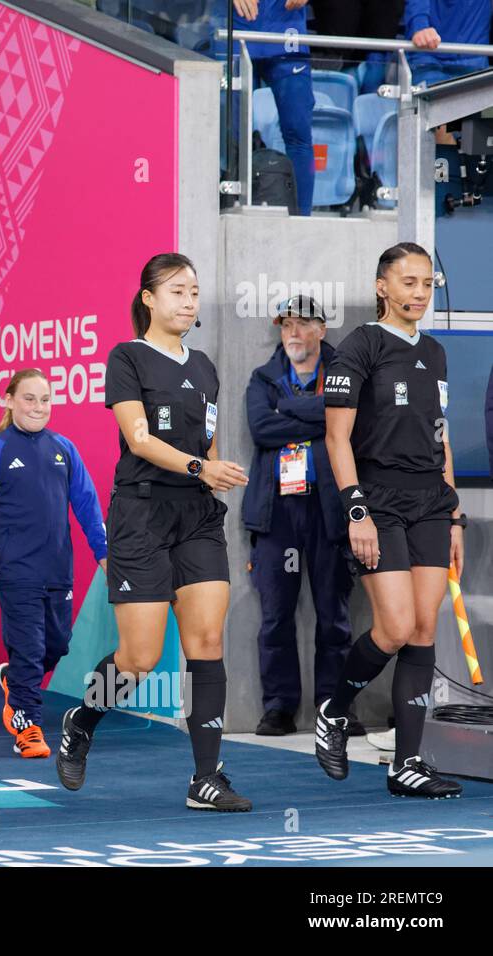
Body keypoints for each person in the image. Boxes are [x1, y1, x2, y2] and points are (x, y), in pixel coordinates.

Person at [56, 252, 253, 811]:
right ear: (148, 298)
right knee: (139, 660)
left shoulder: (207, 365)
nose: (188, 301)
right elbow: (139, 440)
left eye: (194, 291)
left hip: (197, 517)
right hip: (141, 516)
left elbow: (208, 439)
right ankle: (83, 718)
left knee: (207, 644)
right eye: (176, 291)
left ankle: (206, 777)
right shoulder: (127, 358)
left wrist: (216, 473)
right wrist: (200, 467)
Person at [318, 242, 464, 798]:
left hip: (430, 500)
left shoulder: (436, 351)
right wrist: (357, 510)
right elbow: (337, 438)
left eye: (427, 283)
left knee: (424, 630)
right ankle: (334, 705)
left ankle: (407, 763)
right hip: (378, 500)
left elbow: (439, 434)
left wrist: (453, 515)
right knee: (396, 628)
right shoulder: (359, 347)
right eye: (408, 283)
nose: (419, 293)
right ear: (382, 286)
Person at [242, 295, 362, 737]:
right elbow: (261, 429)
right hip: (277, 513)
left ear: (321, 330)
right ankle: (279, 707)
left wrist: (288, 412)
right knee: (275, 617)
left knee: (334, 615)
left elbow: (351, 422)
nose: (292, 332)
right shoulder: (264, 378)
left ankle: (334, 708)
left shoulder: (344, 372)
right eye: (286, 325)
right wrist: (321, 419)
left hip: (329, 511)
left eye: (302, 324)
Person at [0, 369, 107, 759]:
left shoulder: (64, 448)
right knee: (29, 650)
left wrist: (103, 552)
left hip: (57, 570)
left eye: (45, 399)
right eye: (29, 398)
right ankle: (27, 724)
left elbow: (86, 503)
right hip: (15, 570)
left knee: (56, 645)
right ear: (9, 399)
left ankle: (15, 680)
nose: (38, 406)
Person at [230, 0, 316, 215]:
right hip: (237, 24)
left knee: (298, 132)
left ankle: (302, 219)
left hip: (287, 27)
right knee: (232, 135)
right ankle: (228, 208)